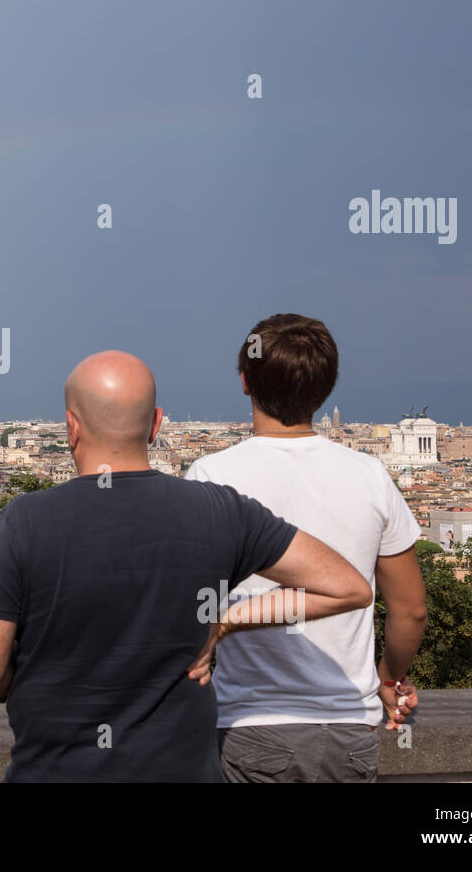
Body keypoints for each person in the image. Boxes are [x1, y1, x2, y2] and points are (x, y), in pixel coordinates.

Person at [0, 349, 373, 781]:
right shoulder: (220, 510)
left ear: (71, 427)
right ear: (156, 425)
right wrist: (226, 621)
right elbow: (348, 587)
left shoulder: (27, 520)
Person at [185, 314, 428, 782]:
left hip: (252, 725)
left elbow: (189, 599)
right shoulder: (369, 475)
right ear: (326, 388)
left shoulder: (211, 476)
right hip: (350, 731)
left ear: (244, 382)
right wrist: (388, 677)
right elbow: (411, 609)